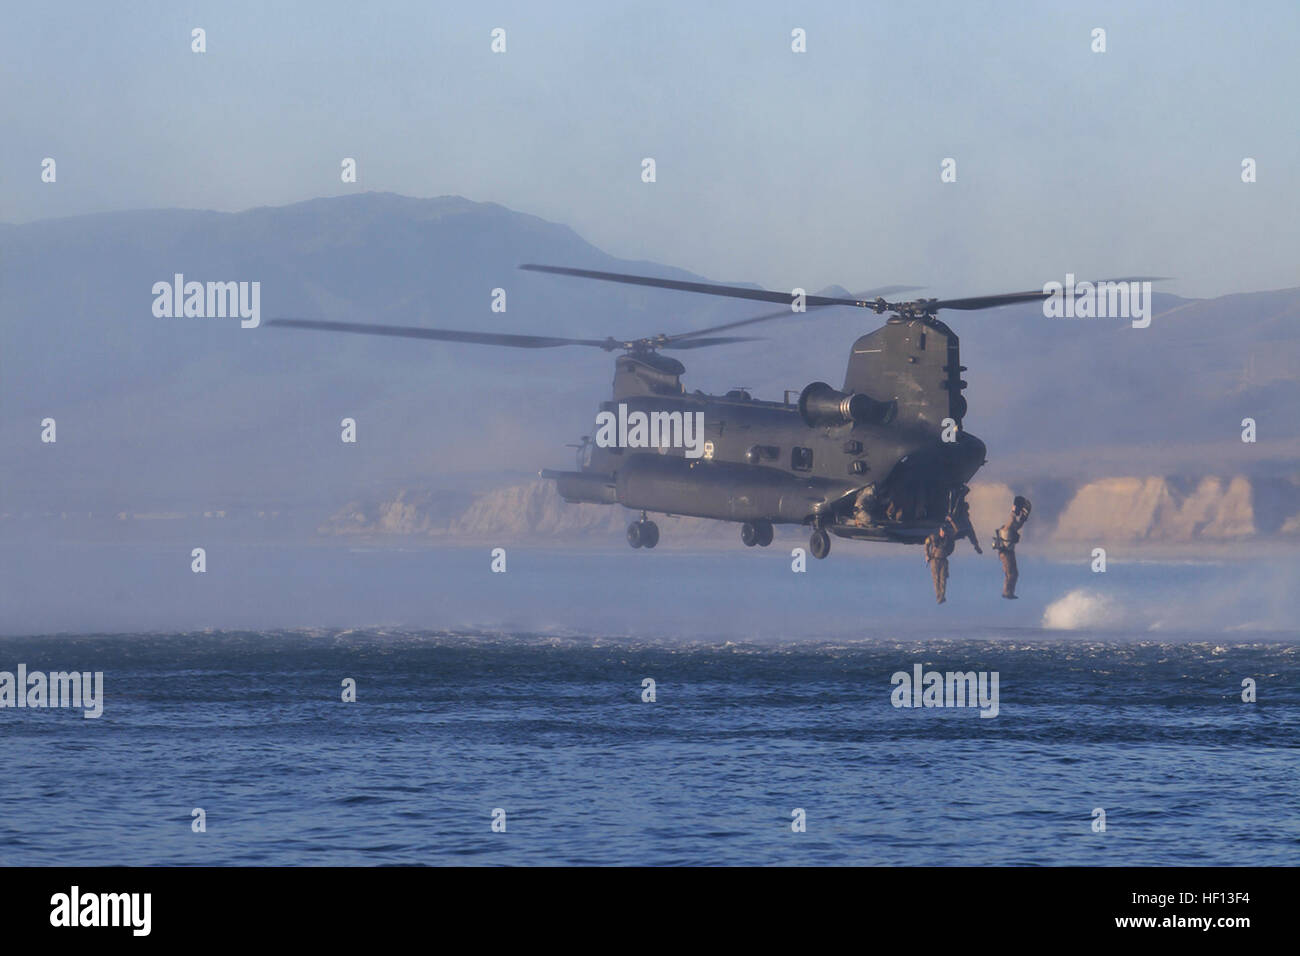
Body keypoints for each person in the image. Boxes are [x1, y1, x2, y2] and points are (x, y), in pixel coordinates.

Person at [992, 495, 1032, 599]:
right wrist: (1015, 511)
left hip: (1008, 552)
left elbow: (1017, 525)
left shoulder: (1010, 528)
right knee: (1011, 574)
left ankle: (1008, 592)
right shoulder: (1007, 527)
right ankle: (1007, 592)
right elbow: (1011, 522)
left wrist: (1023, 517)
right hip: (1006, 553)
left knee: (1013, 574)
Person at [924, 523, 955, 604]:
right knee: (936, 579)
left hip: (943, 560)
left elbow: (952, 547)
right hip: (934, 560)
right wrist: (927, 554)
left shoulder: (948, 539)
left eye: (944, 531)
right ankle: (938, 596)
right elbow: (927, 543)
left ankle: (942, 596)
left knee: (943, 579)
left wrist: (947, 553)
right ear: (940, 531)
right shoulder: (933, 537)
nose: (943, 533)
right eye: (942, 531)